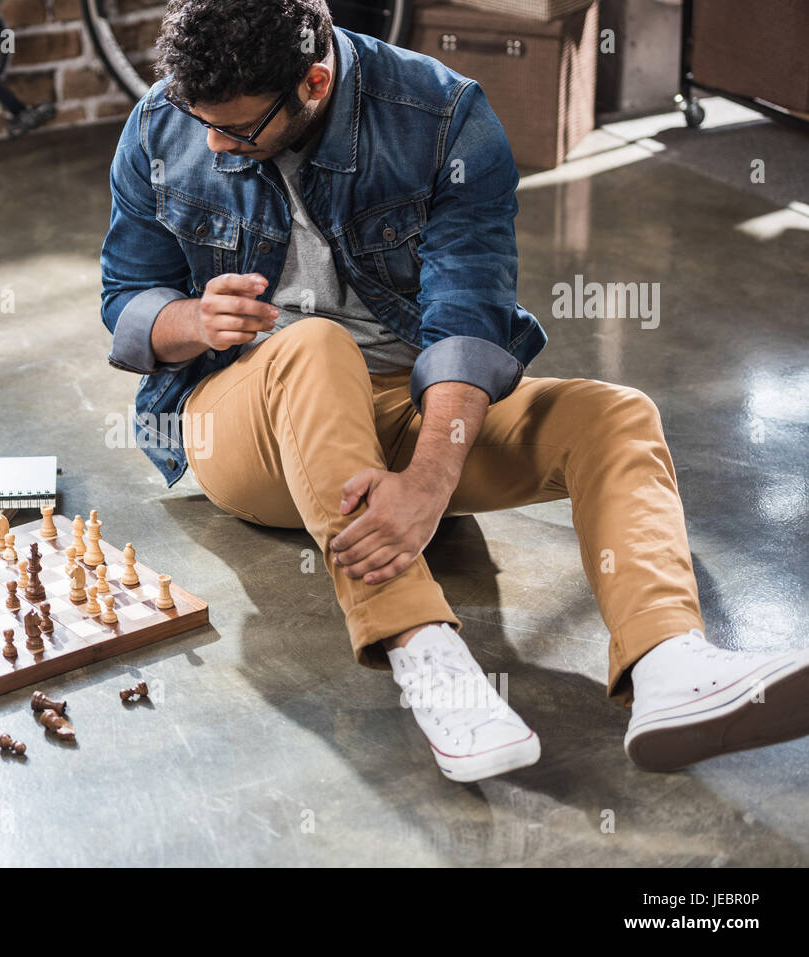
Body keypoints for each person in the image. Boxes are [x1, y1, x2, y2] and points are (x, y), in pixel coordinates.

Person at [98, 0, 809, 782]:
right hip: (245, 419)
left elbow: (469, 322)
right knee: (314, 344)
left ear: (313, 81)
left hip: (408, 404)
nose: (211, 143)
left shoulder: (441, 117)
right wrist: (192, 318)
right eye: (202, 122)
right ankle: (427, 653)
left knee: (615, 415)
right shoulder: (163, 122)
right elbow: (128, 299)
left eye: (235, 131)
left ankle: (669, 662)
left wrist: (429, 481)